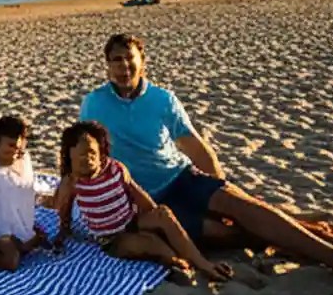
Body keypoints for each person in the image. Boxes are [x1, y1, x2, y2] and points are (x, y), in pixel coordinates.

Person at [80, 34, 333, 282]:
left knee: (240, 207)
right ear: (107, 65)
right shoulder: (93, 104)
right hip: (145, 199)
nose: (124, 67)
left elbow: (195, 148)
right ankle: (316, 233)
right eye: (117, 60)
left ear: (143, 60)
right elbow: (83, 156)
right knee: (226, 234)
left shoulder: (162, 99)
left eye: (129, 59)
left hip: (180, 177)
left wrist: (223, 187)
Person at [53, 121, 233, 285]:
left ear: (101, 153)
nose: (87, 160)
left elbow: (137, 193)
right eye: (80, 158)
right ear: (70, 159)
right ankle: (178, 263)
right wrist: (63, 231)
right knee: (150, 243)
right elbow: (64, 209)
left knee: (163, 214)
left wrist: (155, 218)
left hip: (132, 220)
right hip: (112, 239)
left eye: (92, 154)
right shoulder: (71, 183)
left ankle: (202, 262)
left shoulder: (116, 169)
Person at [0, 116, 46, 270]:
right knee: (10, 257)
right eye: (11, 145)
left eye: (19, 146)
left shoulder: (23, 161)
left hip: (22, 229)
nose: (16, 150)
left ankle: (24, 243)